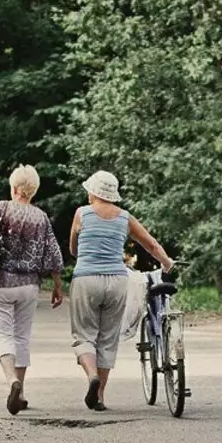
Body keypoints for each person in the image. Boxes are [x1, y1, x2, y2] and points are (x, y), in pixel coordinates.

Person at [69, 170, 174, 411]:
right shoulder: (125, 218)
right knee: (107, 338)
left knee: (84, 335)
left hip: (86, 279)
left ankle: (91, 376)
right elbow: (151, 244)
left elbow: (73, 249)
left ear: (93, 192)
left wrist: (82, 249)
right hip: (117, 281)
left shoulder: (81, 214)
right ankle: (101, 396)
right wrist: (167, 264)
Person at [0, 165, 65, 416]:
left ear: (13, 188)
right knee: (22, 338)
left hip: (1, 282)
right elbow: (53, 253)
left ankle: (11, 381)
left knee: (3, 336)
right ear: (33, 190)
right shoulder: (41, 217)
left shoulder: (2, 207)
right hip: (29, 285)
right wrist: (57, 286)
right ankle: (21, 393)